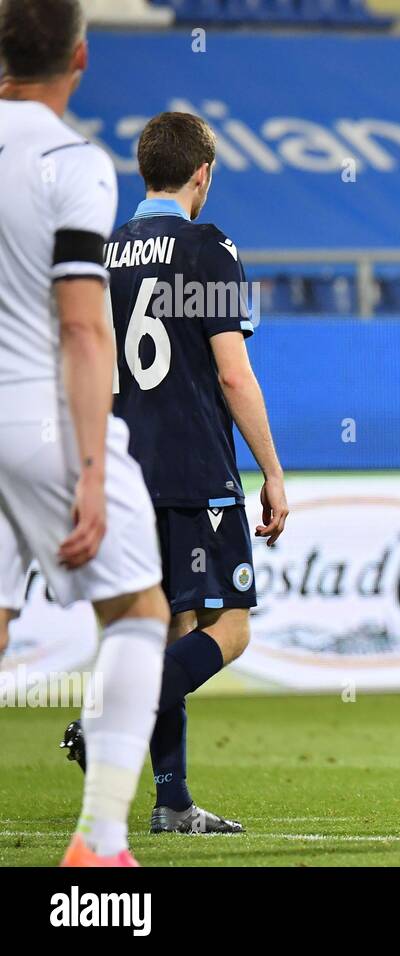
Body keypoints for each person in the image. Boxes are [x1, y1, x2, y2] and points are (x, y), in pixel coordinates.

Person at [61, 111, 289, 836]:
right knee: (230, 629)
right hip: (195, 470)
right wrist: (274, 474)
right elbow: (233, 374)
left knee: (169, 628)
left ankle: (173, 801)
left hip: (126, 472)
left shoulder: (104, 250)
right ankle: (105, 723)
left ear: (143, 170)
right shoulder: (208, 247)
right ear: (203, 175)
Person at [0, 0, 169, 866]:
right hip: (36, 418)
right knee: (140, 609)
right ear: (81, 57)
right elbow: (81, 327)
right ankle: (100, 842)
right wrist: (94, 469)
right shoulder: (74, 163)